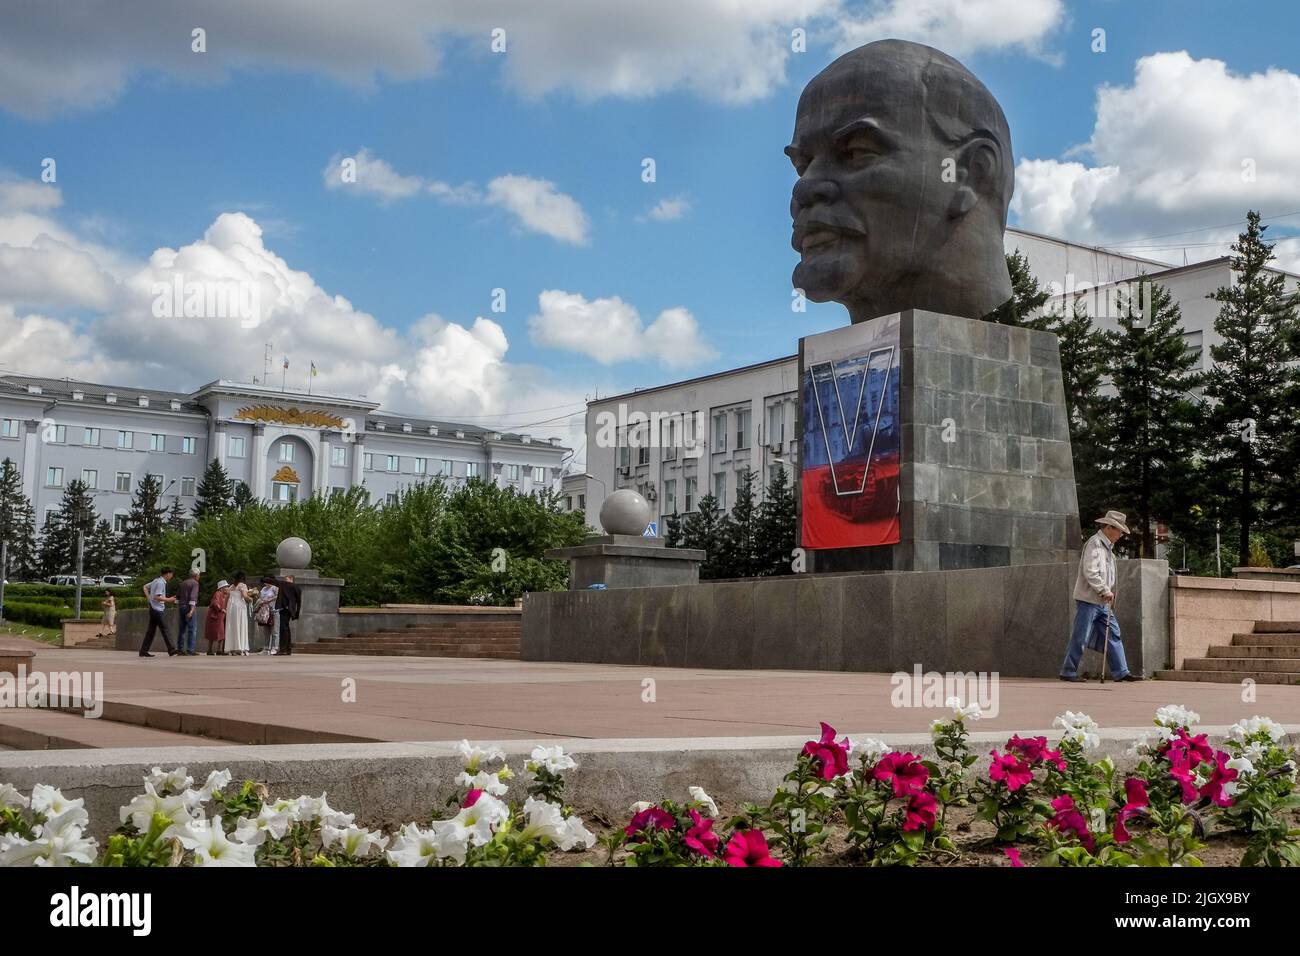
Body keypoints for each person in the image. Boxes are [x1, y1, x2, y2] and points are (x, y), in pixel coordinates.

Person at [1060, 510, 1142, 683]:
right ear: (1108, 527)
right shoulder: (1095, 544)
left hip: (1103, 602)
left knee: (1113, 633)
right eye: (1119, 530)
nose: (1120, 535)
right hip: (1090, 600)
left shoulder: (1107, 549)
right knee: (1081, 636)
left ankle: (1121, 671)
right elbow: (1090, 571)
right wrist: (1104, 590)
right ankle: (1068, 671)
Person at [140, 567, 178, 658]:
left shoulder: (156, 581)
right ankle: (172, 650)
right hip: (157, 609)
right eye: (171, 574)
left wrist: (149, 598)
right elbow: (157, 597)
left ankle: (143, 651)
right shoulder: (161, 583)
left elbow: (145, 587)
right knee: (165, 629)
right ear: (167, 574)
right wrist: (169, 599)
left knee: (151, 631)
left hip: (153, 608)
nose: (172, 576)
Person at [225, 572, 252, 656]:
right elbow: (244, 596)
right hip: (239, 606)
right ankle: (240, 647)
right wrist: (250, 598)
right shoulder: (242, 585)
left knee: (232, 626)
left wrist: (225, 607)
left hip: (231, 607)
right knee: (240, 624)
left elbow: (226, 597)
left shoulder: (231, 586)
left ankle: (232, 647)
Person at [275, 574, 301, 657]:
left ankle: (283, 649)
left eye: (286, 579)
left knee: (284, 629)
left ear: (291, 579)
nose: (285, 582)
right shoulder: (285, 587)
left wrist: (297, 612)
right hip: (284, 609)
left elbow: (298, 600)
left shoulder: (294, 587)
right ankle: (287, 649)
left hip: (287, 610)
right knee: (285, 629)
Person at [177, 569, 201, 656]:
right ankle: (190, 649)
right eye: (199, 575)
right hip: (188, 606)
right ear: (196, 575)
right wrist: (191, 610)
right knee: (192, 629)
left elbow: (178, 596)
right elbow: (193, 597)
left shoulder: (183, 583)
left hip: (181, 606)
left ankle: (180, 649)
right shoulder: (195, 583)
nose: (199, 577)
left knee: (182, 629)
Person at [254, 576, 280, 655]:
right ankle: (266, 648)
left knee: (274, 630)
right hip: (265, 611)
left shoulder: (275, 588)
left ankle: (274, 647)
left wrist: (269, 600)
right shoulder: (263, 589)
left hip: (273, 610)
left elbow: (278, 596)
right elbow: (261, 597)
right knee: (266, 631)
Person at [205, 580, 230, 655]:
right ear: (221, 588)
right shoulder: (218, 594)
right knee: (213, 633)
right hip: (215, 616)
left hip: (219, 617)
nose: (227, 588)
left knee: (221, 633)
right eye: (226, 587)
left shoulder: (224, 595)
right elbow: (215, 603)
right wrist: (221, 609)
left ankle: (218, 649)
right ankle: (210, 650)